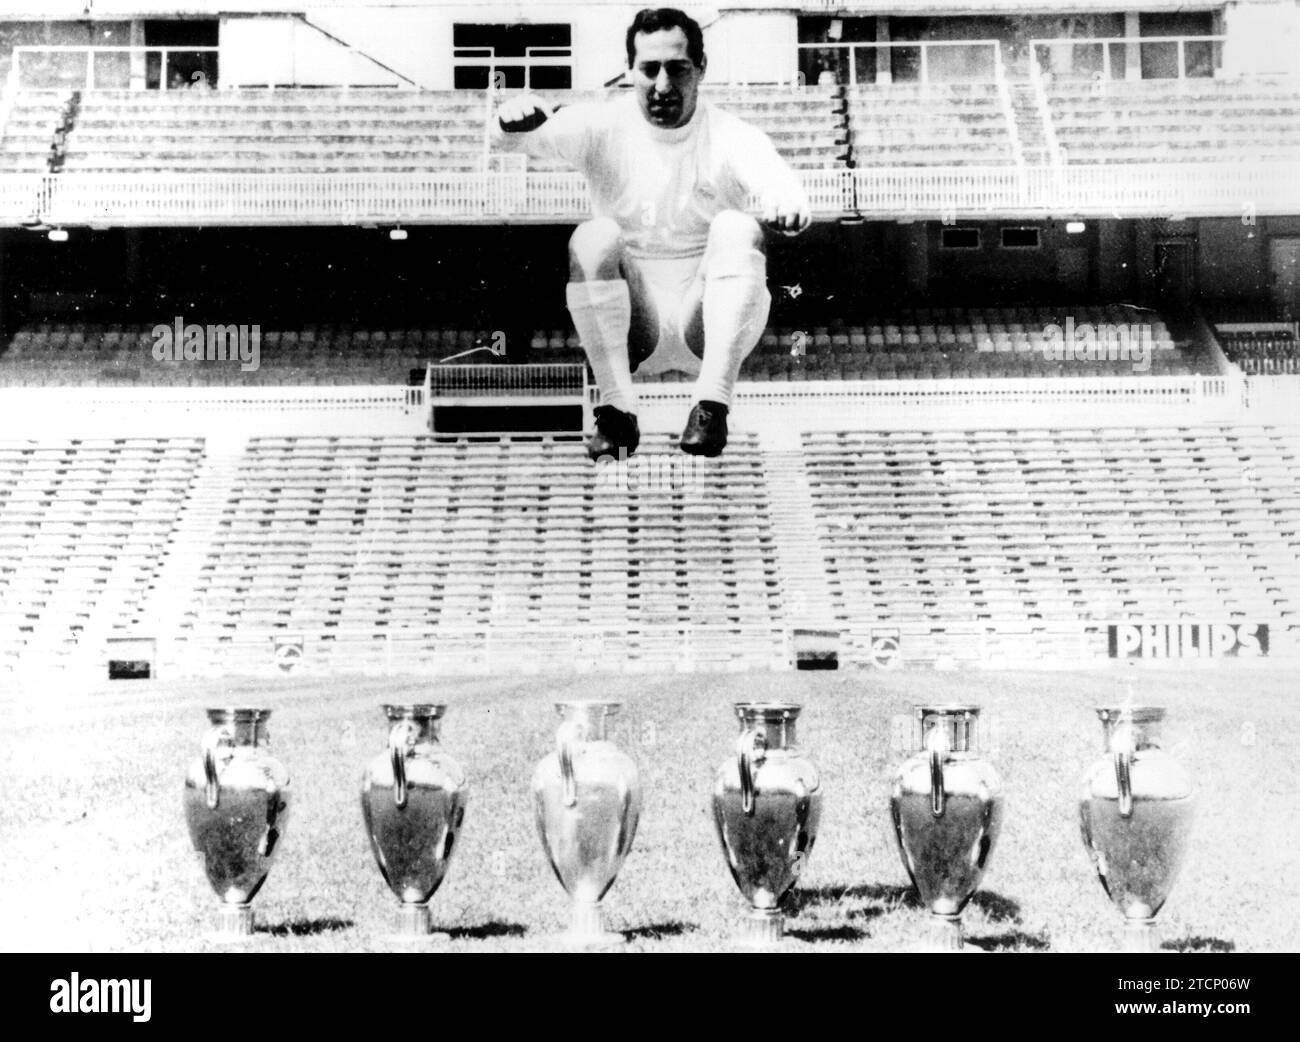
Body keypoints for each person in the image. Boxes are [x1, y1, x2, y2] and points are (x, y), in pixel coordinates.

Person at [495, 7, 810, 459]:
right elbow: (519, 138)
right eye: (649, 70)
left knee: (737, 226)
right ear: (630, 71)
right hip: (632, 319)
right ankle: (616, 410)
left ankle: (713, 402)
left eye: (677, 69)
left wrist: (789, 203)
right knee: (593, 236)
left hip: (708, 318)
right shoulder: (603, 124)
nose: (662, 85)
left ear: (701, 69)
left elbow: (779, 181)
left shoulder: (731, 134)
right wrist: (509, 120)